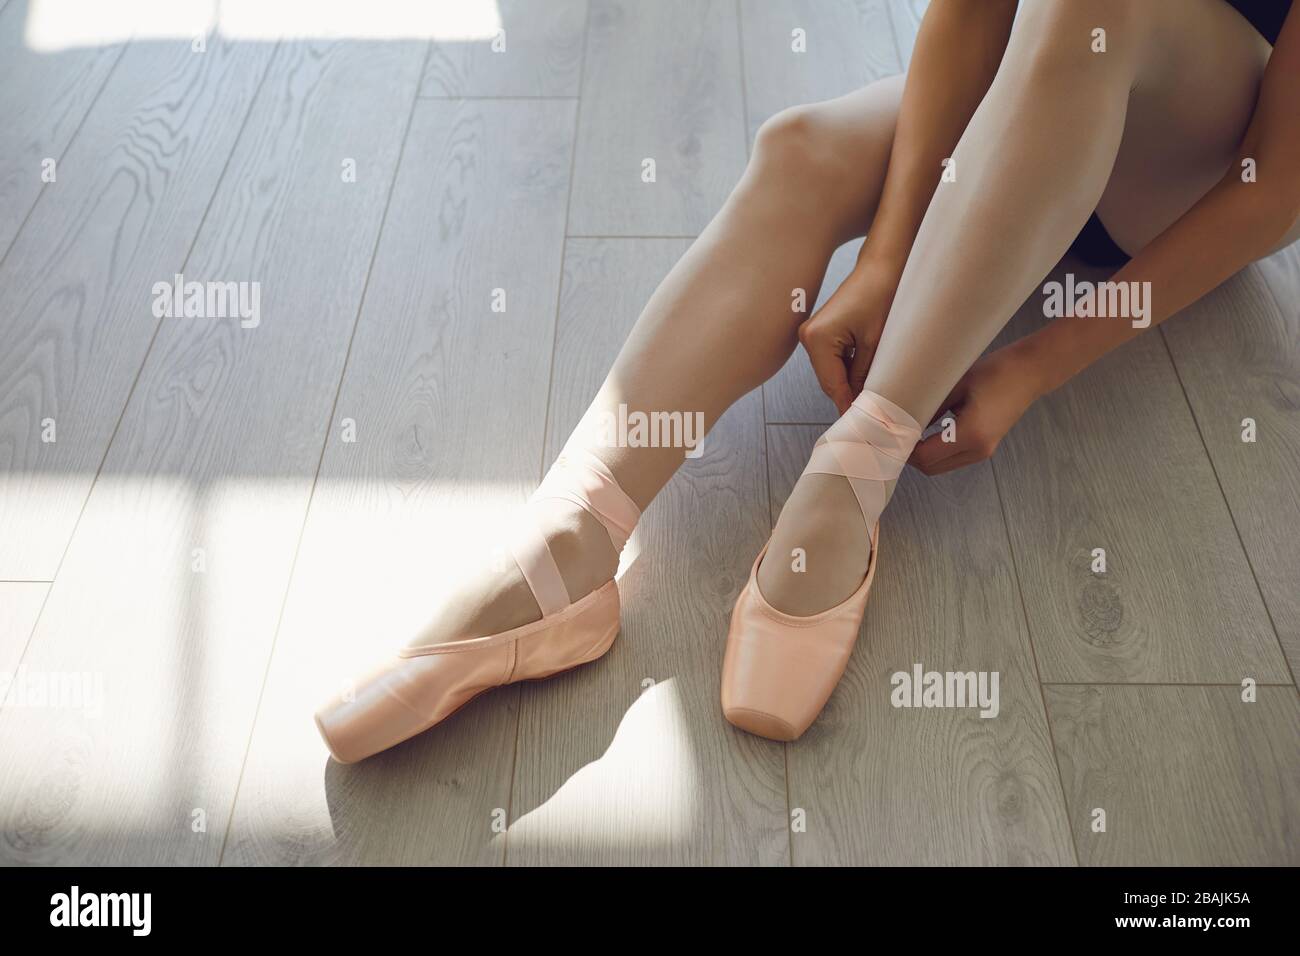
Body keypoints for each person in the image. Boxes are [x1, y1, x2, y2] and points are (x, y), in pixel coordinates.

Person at [315, 0, 1299, 761]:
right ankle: (575, 531)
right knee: (801, 149)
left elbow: (1278, 186)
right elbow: (968, 17)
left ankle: (854, 469)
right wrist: (885, 256)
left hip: (1181, 176)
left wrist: (1035, 363)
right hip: (1032, 96)